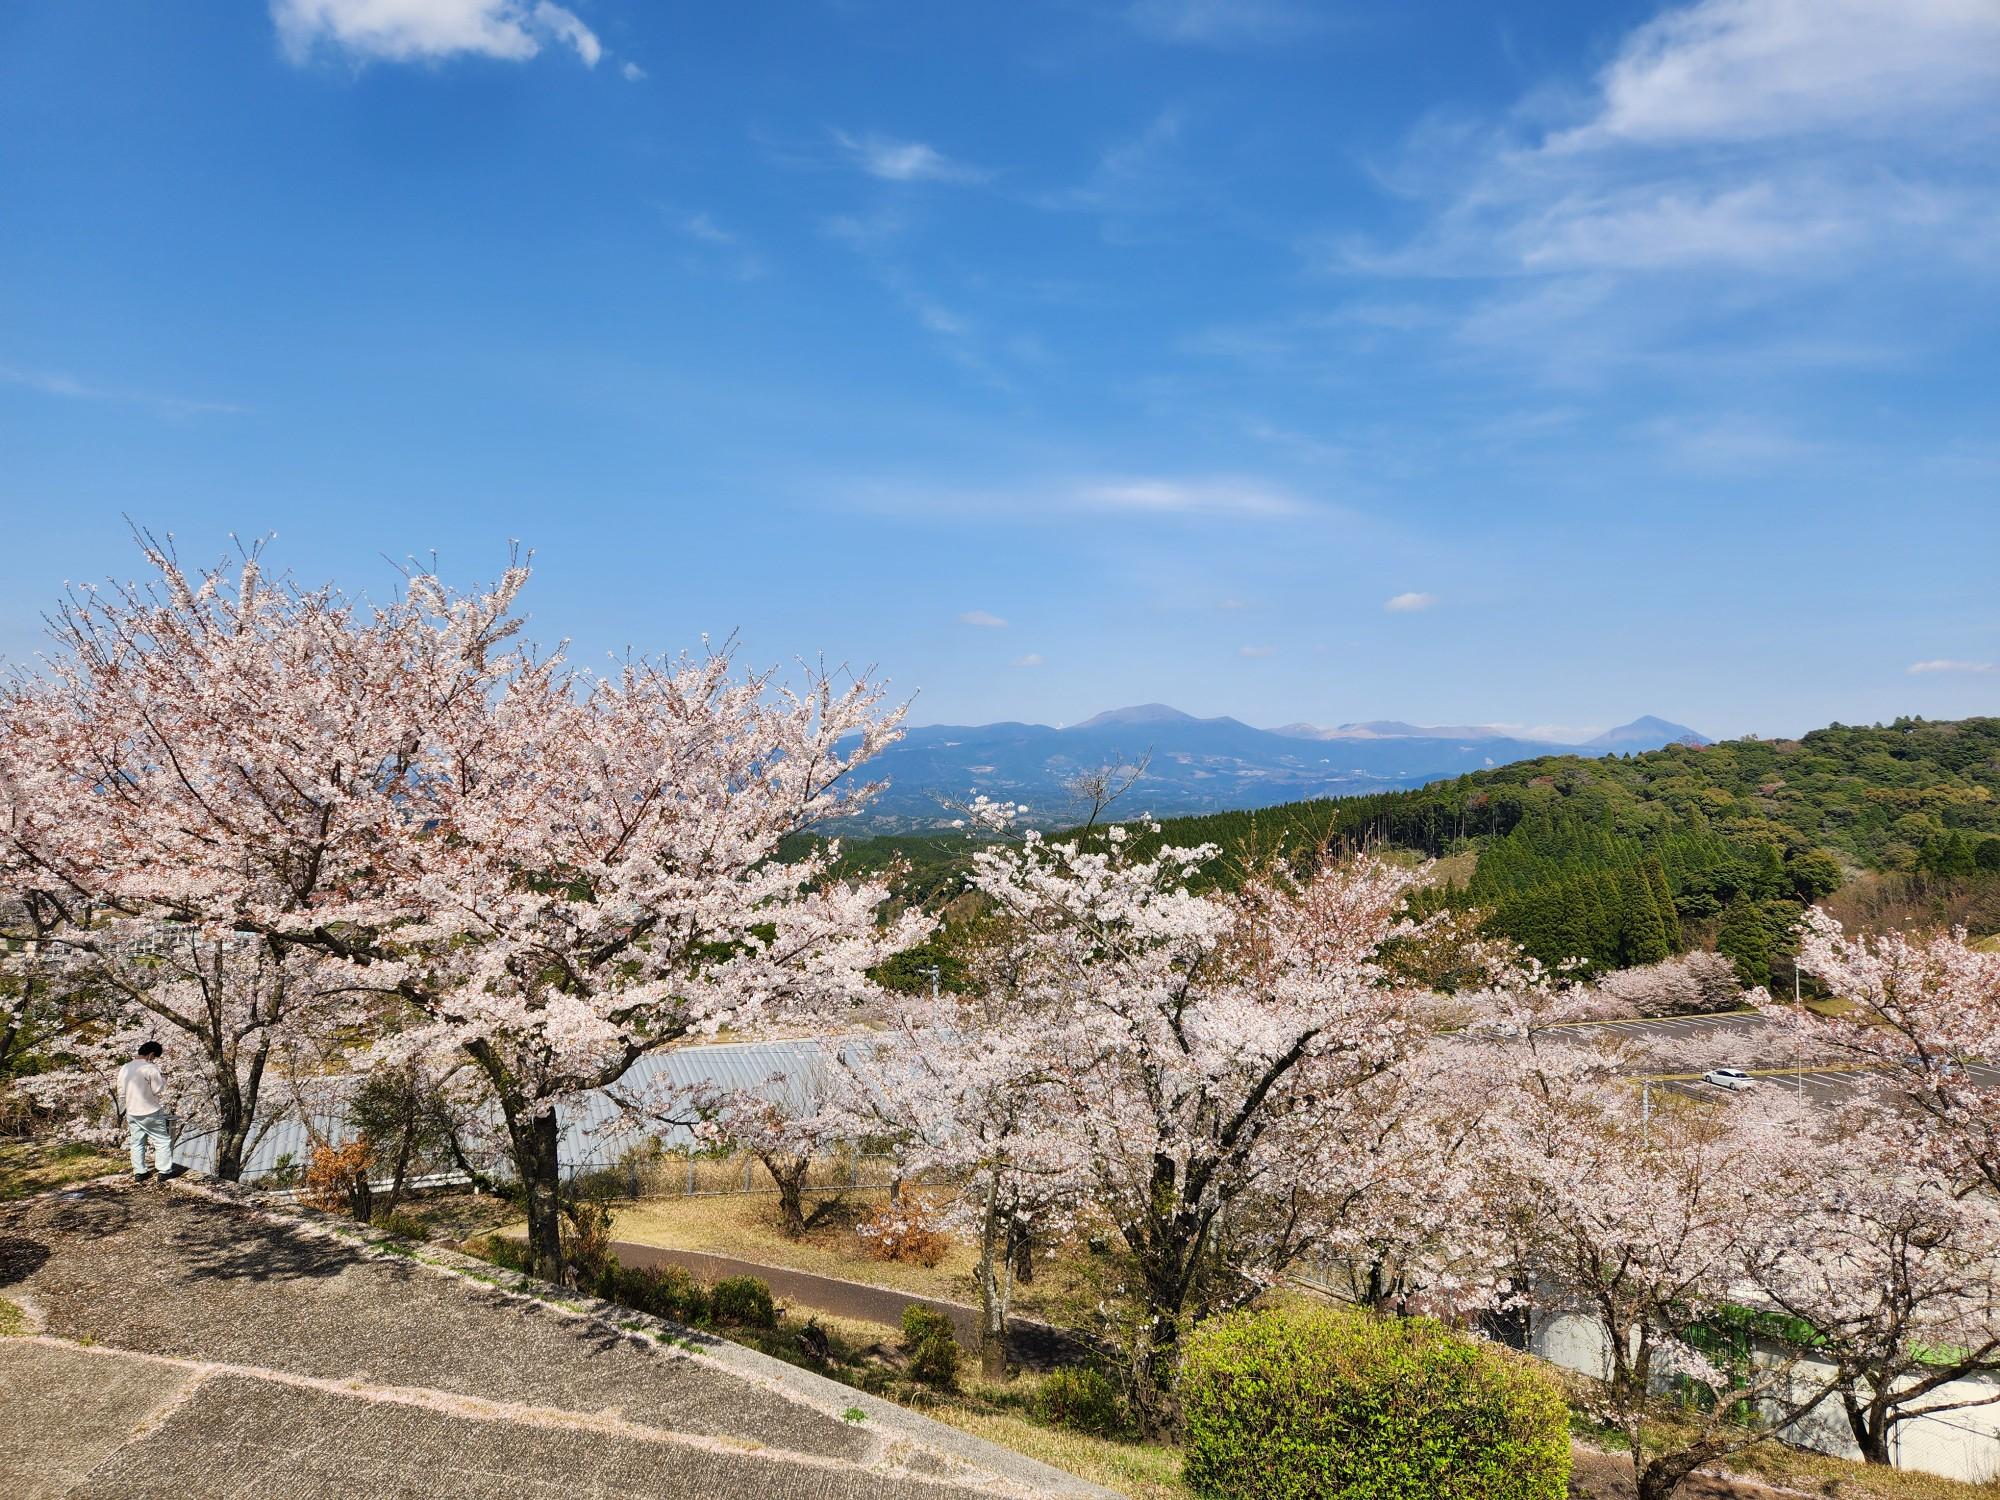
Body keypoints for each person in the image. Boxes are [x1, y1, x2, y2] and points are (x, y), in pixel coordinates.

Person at [117, 1041, 180, 1183]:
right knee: (162, 1140)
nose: (154, 1059)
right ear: (151, 1054)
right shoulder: (150, 1068)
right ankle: (164, 1171)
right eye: (154, 1056)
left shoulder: (125, 1068)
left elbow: (121, 1092)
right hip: (150, 1110)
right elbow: (157, 1089)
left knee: (137, 1142)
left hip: (132, 1111)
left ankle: (140, 1172)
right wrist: (164, 1080)